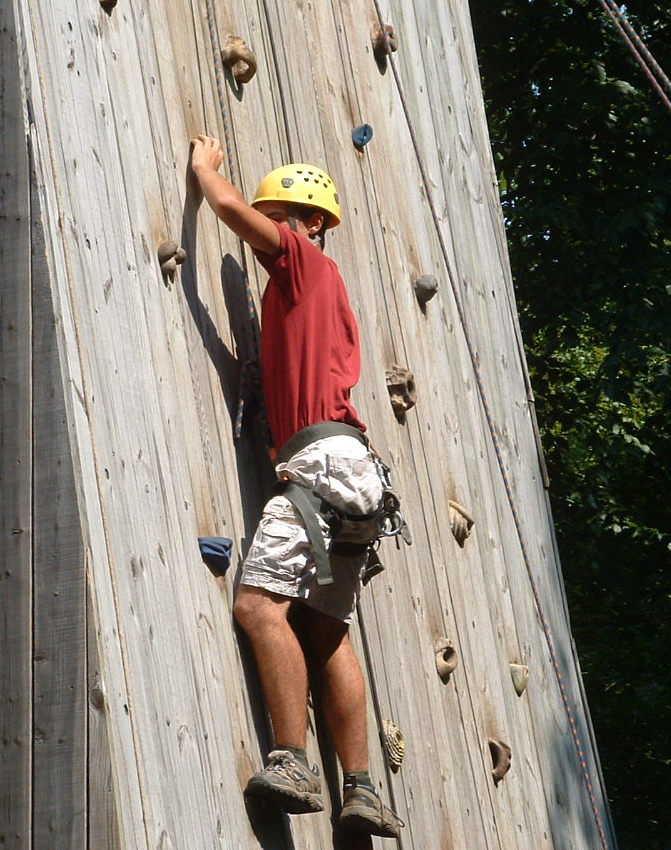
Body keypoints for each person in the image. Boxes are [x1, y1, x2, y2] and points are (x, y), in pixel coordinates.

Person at [189, 134, 402, 838]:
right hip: (351, 473)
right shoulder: (302, 296)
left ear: (310, 222)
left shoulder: (307, 263)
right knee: (324, 625)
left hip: (323, 465)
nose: (270, 230)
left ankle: (292, 760)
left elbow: (224, 207)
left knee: (257, 606)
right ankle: (363, 786)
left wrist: (207, 171)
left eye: (282, 215)